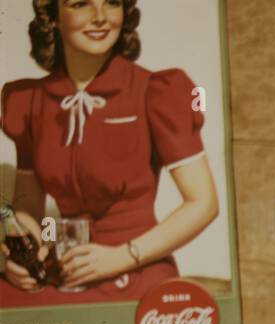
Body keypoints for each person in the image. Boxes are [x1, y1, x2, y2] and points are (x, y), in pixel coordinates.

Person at [1, 0, 218, 305]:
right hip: (64, 270)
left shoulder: (156, 91)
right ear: (51, 18)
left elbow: (204, 203)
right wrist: (24, 256)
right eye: (81, 4)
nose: (100, 18)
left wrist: (122, 256)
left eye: (112, 3)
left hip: (138, 270)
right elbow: (30, 208)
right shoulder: (30, 101)